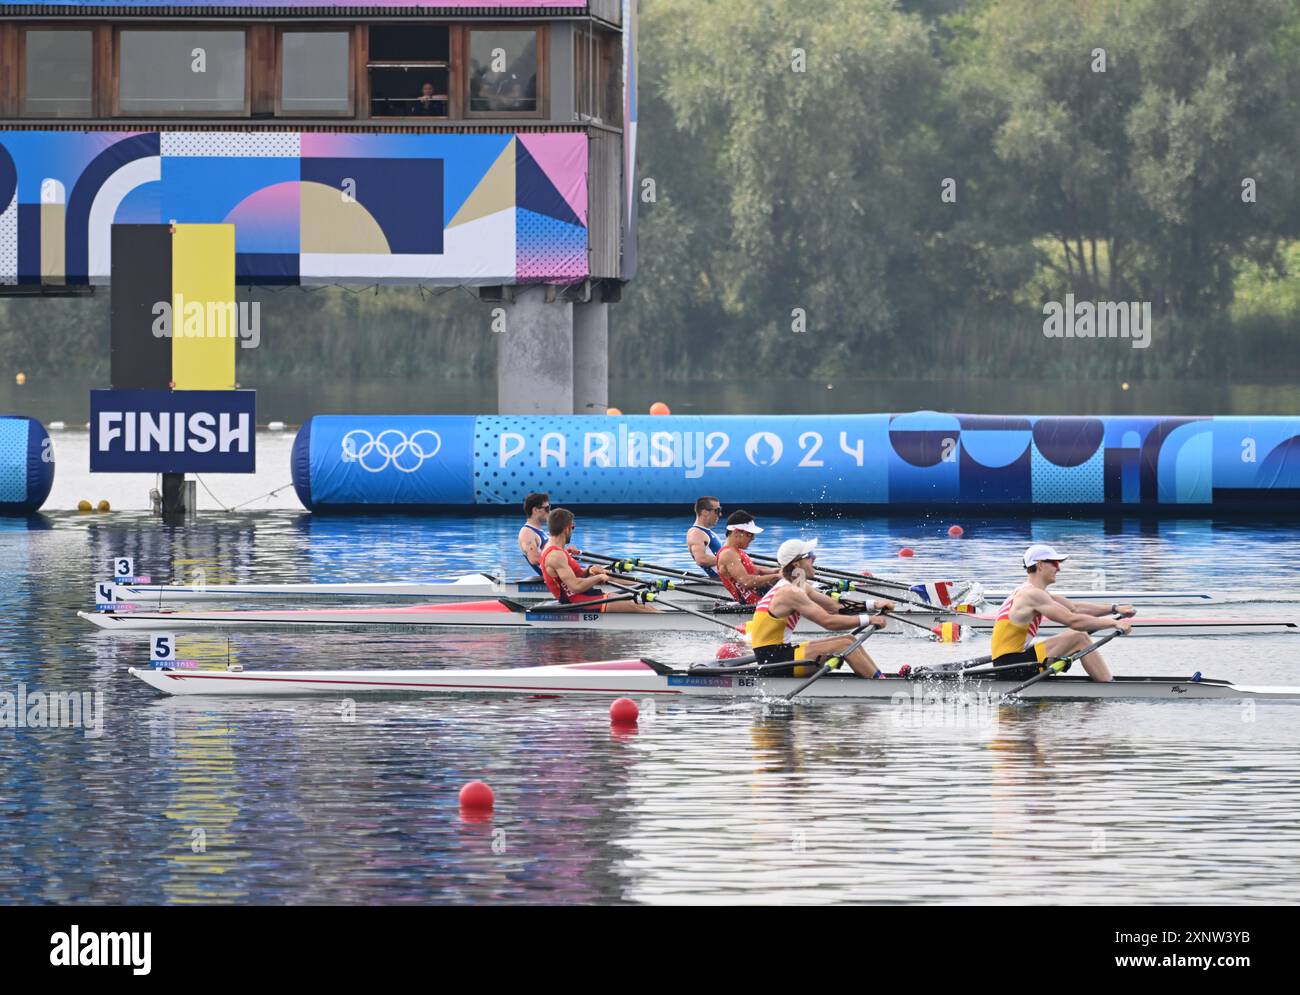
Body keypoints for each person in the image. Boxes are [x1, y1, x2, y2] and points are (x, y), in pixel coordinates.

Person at [748, 538, 896, 678]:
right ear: (796, 565)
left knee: (849, 639)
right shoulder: (789, 592)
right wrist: (869, 619)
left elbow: (835, 607)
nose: (815, 558)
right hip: (774, 660)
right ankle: (881, 686)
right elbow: (828, 622)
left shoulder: (799, 585)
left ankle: (879, 678)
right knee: (843, 645)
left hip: (781, 652)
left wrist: (874, 605)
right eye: (809, 556)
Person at [989, 543, 1135, 681]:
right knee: (1079, 637)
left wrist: (1115, 609)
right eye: (1055, 563)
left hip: (1012, 662)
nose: (1058, 568)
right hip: (1011, 667)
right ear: (1039, 565)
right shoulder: (1031, 595)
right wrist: (1114, 623)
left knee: (1078, 636)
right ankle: (1108, 687)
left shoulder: (1033, 593)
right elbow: (1074, 621)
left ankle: (1107, 685)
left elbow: (1075, 608)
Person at [540, 508, 656, 612]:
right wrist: (599, 578)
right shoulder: (555, 555)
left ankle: (643, 584)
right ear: (566, 529)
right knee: (638, 608)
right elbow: (575, 586)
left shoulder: (557, 548)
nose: (572, 531)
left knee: (642, 605)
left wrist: (589, 570)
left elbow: (577, 576)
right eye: (573, 527)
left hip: (584, 595)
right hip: (576, 601)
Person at [715, 511, 782, 605]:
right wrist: (776, 576)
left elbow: (756, 570)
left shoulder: (735, 551)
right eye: (750, 534)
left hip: (763, 598)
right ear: (736, 532)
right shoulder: (728, 554)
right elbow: (746, 582)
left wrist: (776, 571)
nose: (753, 538)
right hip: (756, 604)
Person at [686, 496, 724, 578]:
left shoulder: (710, 533)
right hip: (723, 581)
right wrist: (730, 560)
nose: (720, 514)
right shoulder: (696, 533)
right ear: (705, 512)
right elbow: (701, 560)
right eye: (717, 511)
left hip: (731, 577)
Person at [518, 492, 551, 575]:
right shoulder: (527, 532)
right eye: (547, 508)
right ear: (535, 510)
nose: (549, 511)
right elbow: (534, 559)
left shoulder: (543, 532)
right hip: (555, 578)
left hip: (562, 574)